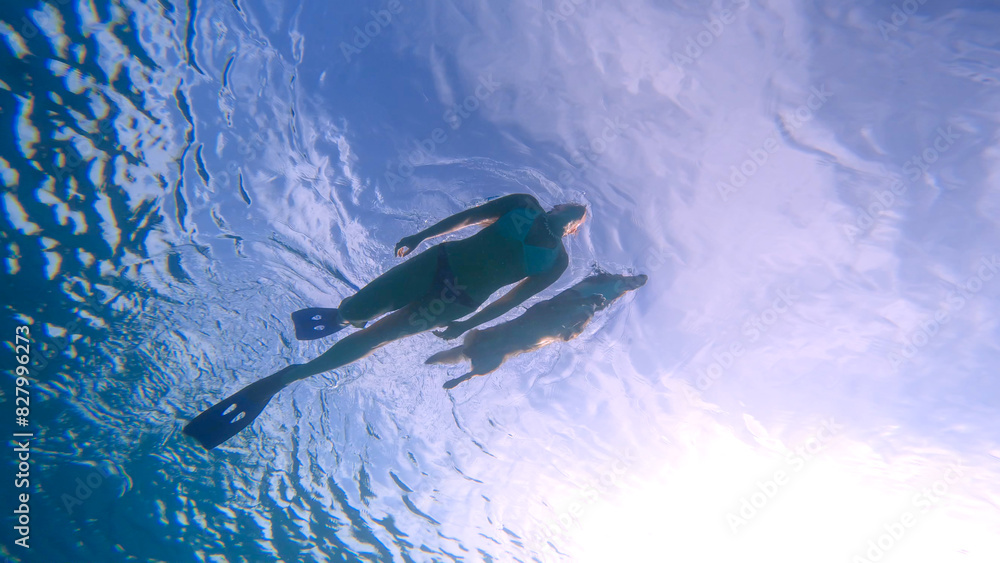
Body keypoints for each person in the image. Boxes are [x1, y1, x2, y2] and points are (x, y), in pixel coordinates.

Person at [183, 193, 587, 449]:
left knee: (378, 336)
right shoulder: (523, 204)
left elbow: (513, 301)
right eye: (571, 207)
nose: (575, 213)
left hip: (456, 302)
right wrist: (421, 236)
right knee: (359, 309)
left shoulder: (557, 262)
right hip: (437, 262)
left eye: (578, 218)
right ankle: (344, 316)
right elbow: (467, 217)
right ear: (558, 207)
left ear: (572, 229)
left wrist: (466, 326)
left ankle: (290, 376)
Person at [425, 272, 647, 389]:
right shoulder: (601, 288)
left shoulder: (600, 303)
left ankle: (459, 364)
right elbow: (567, 325)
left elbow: (569, 331)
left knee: (486, 348)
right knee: (483, 347)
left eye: (633, 284)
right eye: (633, 280)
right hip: (541, 323)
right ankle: (458, 362)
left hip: (539, 329)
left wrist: (464, 377)